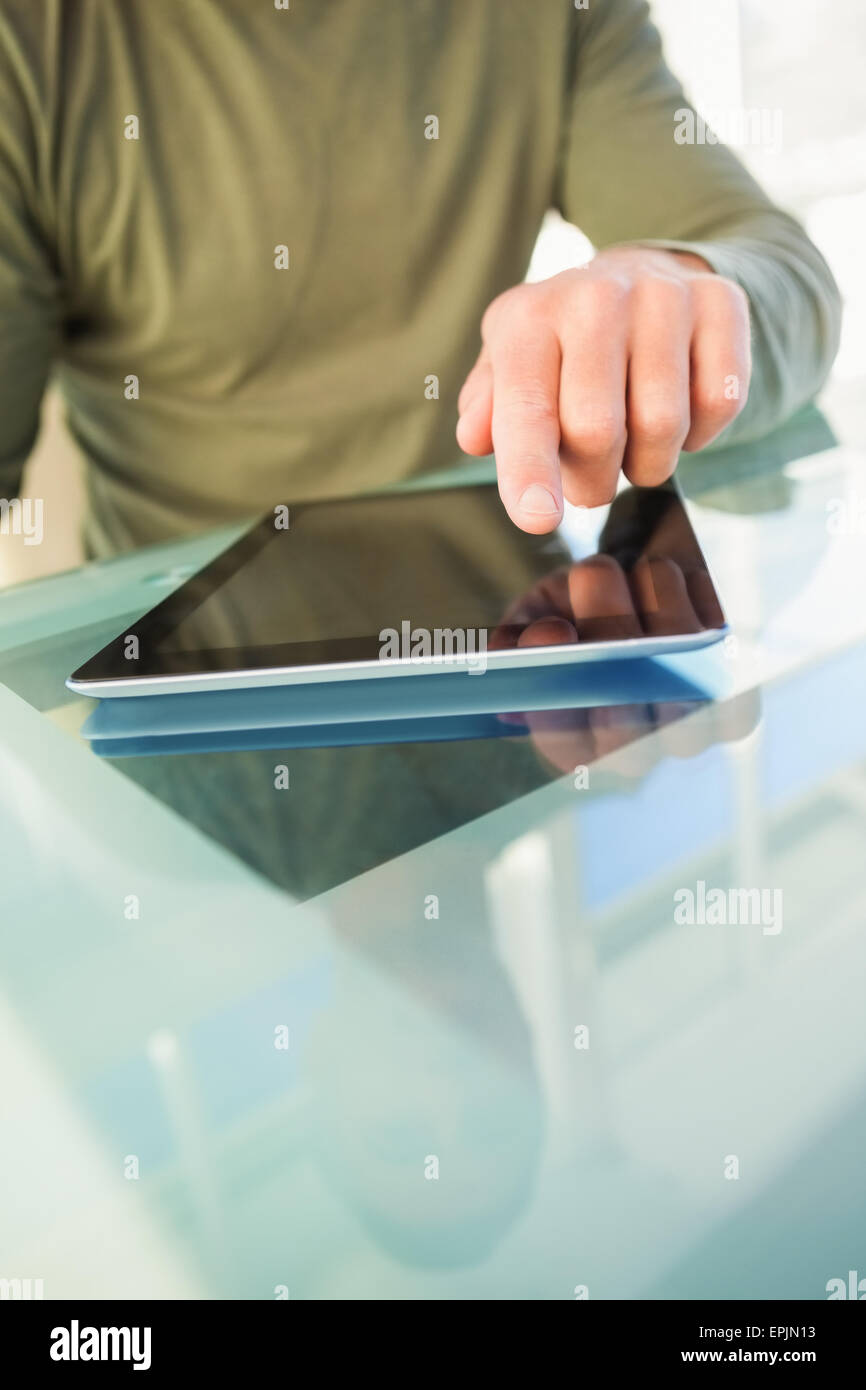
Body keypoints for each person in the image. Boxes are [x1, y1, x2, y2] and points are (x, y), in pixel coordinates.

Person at [0, 0, 840, 559]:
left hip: (506, 656)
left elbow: (778, 267)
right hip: (183, 688)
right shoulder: (29, 42)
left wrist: (676, 289)